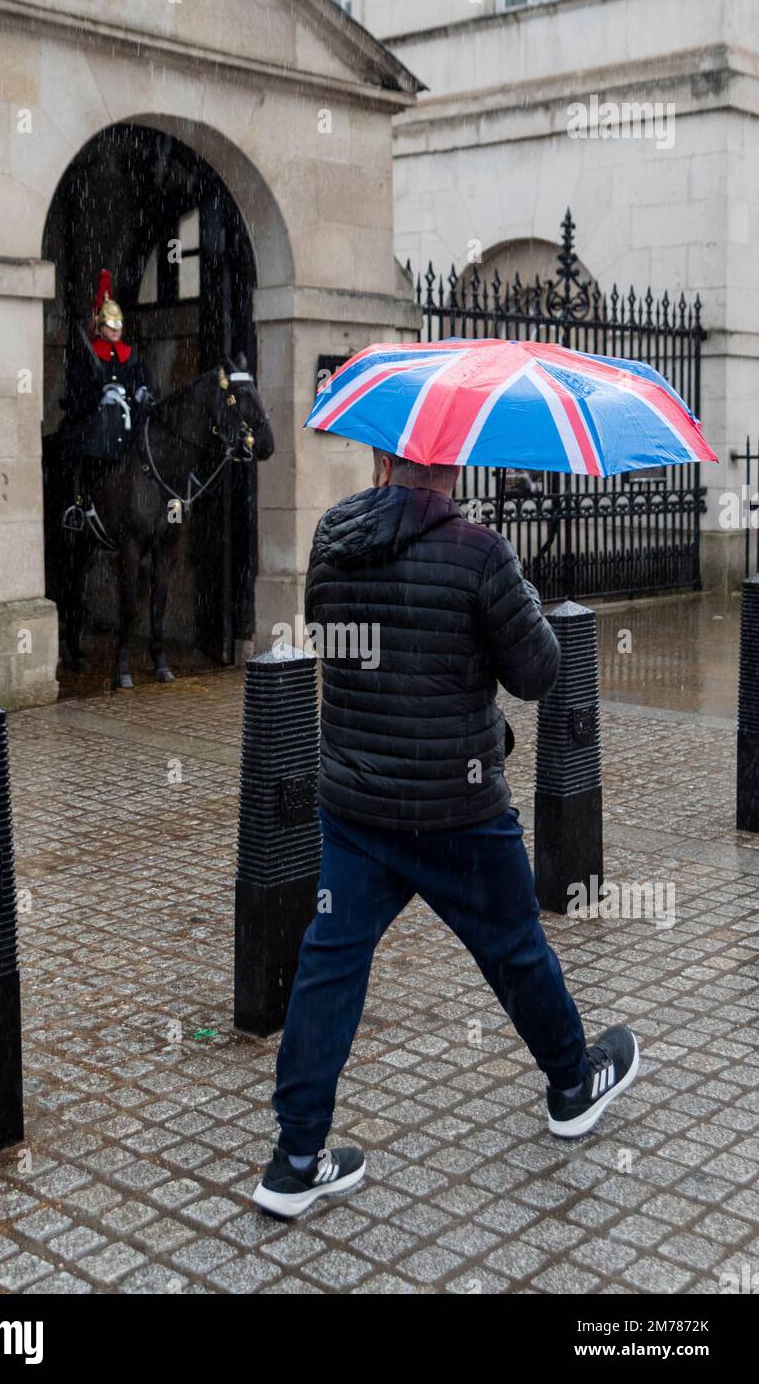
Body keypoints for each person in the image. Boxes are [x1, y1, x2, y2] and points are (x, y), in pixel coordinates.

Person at [252, 447, 639, 1219]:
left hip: (357, 809)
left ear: (380, 459)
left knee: (329, 966)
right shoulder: (479, 552)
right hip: (457, 812)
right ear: (454, 466)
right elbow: (537, 674)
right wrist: (514, 587)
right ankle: (571, 1082)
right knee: (515, 946)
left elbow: (341, 650)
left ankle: (295, 1158)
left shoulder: (332, 537)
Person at [58, 270, 156, 528]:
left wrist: (142, 391)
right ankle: (77, 505)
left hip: (129, 416)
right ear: (100, 327)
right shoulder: (88, 356)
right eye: (110, 326)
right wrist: (100, 396)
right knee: (82, 445)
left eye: (118, 326)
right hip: (97, 415)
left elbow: (146, 378)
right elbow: (76, 389)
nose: (115, 331)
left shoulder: (132, 354)